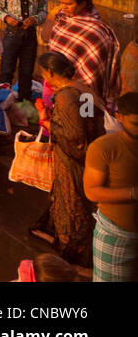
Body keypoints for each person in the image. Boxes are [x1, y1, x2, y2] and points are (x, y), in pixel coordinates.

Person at [30, 52, 105, 265]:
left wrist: (45, 120)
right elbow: (87, 121)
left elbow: (74, 137)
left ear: (51, 73)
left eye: (44, 73)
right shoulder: (82, 87)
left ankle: (72, 247)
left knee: (72, 202)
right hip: (92, 153)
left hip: (73, 159)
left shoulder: (65, 96)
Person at [83, 92, 138, 282]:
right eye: (136, 124)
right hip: (116, 236)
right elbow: (91, 191)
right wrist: (132, 193)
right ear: (119, 117)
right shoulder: (103, 148)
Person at [49, 0, 122, 114]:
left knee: (84, 115)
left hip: (86, 81)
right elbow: (53, 45)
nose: (63, 7)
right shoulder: (61, 19)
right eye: (62, 3)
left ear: (82, 4)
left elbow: (98, 55)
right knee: (61, 113)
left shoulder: (95, 27)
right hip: (60, 77)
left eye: (69, 4)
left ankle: (87, 128)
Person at [0, 0, 48, 102]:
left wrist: (35, 19)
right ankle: (2, 98)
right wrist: (7, 18)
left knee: (27, 70)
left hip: (30, 34)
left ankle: (24, 100)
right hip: (12, 34)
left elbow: (44, 12)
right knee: (7, 67)